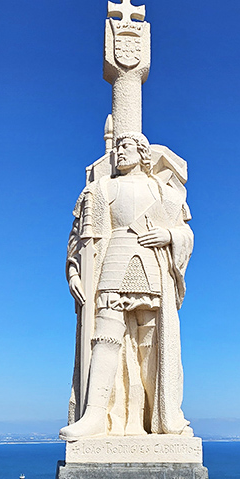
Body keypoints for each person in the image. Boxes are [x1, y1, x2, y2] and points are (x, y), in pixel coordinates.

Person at [60, 132, 193, 440]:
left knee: (151, 345)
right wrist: (74, 272)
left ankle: (158, 416)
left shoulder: (163, 191)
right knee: (104, 337)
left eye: (127, 146)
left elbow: (185, 232)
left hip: (152, 264)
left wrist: (170, 237)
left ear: (142, 153)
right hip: (113, 260)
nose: (120, 152)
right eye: (117, 146)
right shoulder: (102, 188)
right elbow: (79, 237)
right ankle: (95, 415)